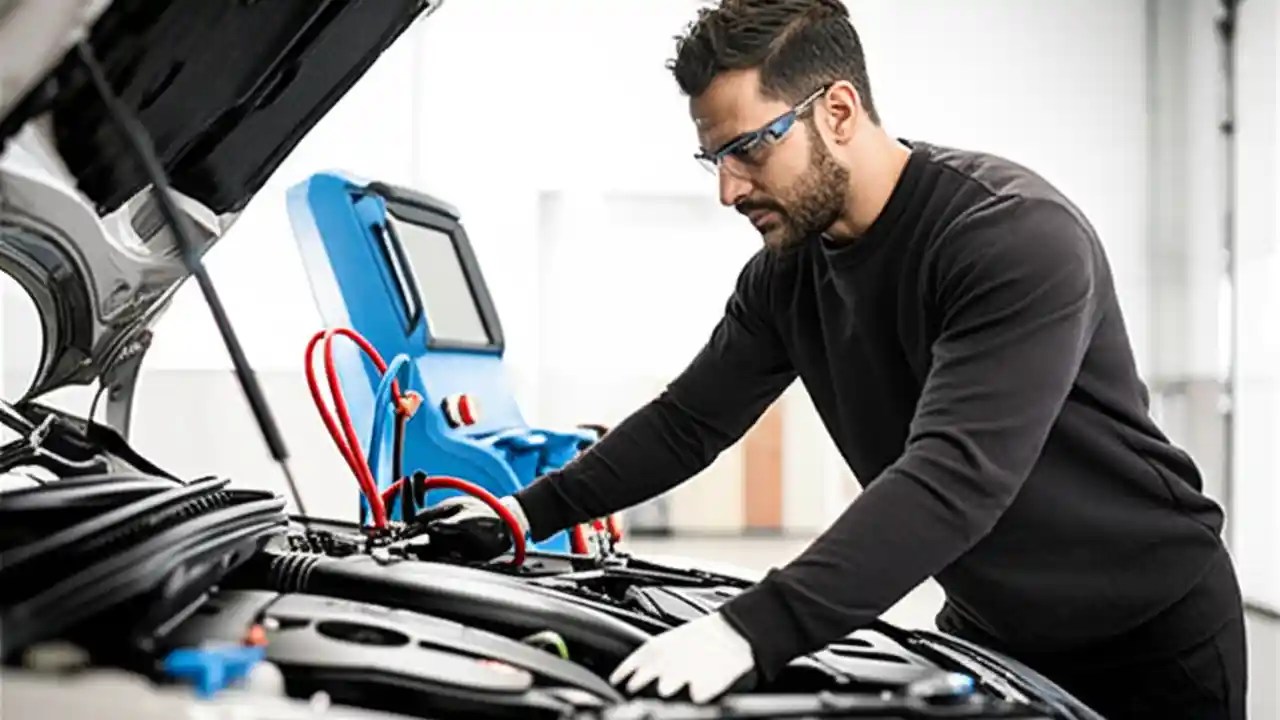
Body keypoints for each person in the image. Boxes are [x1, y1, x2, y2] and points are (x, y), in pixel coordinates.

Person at [418, 1, 1247, 717]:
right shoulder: (786, 275)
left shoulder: (1010, 236)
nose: (729, 189)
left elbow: (954, 477)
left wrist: (755, 627)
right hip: (995, 629)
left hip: (1147, 632)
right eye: (715, 159)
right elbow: (687, 423)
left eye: (749, 147)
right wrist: (522, 516)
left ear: (839, 111)